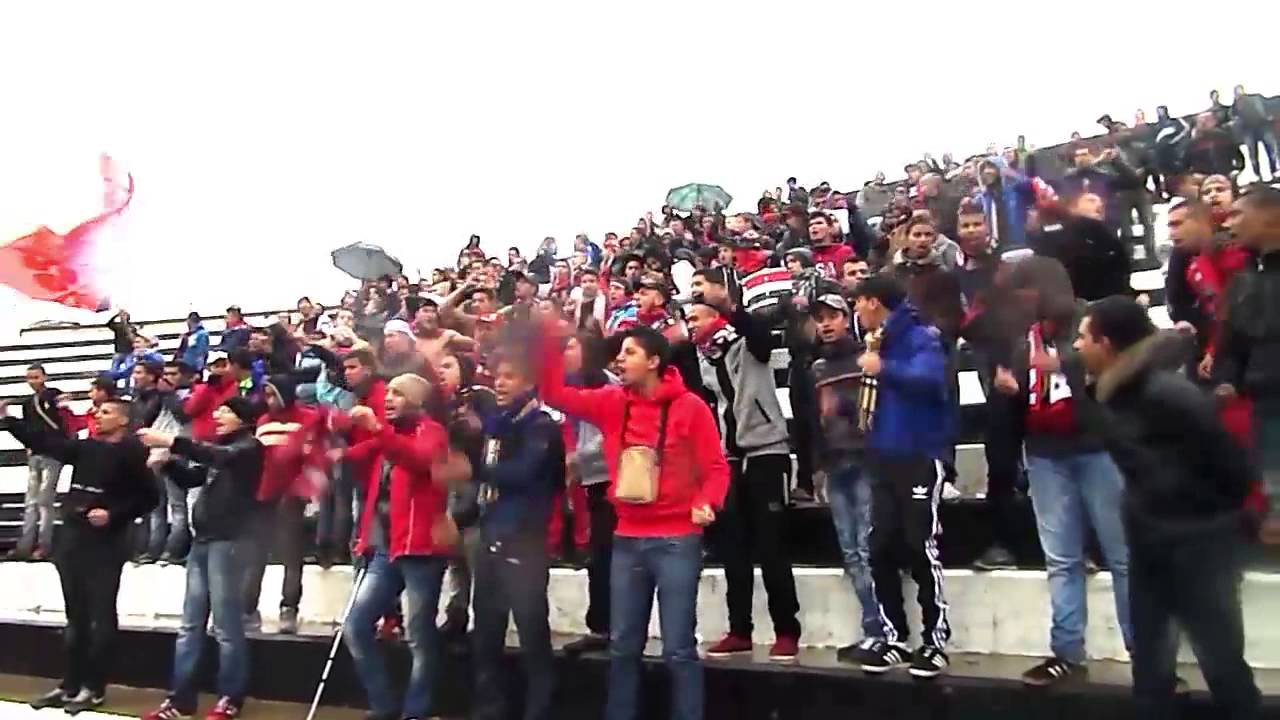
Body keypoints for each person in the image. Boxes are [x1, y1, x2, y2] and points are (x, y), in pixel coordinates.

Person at [1075, 297, 1259, 718]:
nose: (1077, 346)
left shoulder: (1167, 393)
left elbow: (1231, 463)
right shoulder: (1111, 394)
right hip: (1150, 541)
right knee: (1151, 665)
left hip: (1199, 542)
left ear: (1106, 343)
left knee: (1221, 660)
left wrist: (1199, 512)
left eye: (1083, 337)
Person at [538, 323, 729, 720]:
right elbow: (554, 394)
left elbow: (715, 467)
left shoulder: (689, 406)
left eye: (629, 353)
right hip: (626, 536)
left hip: (677, 537)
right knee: (623, 645)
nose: (619, 360)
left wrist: (707, 501)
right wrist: (552, 349)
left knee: (678, 647)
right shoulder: (612, 401)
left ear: (654, 361)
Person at [993, 258, 1133, 686]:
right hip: (1045, 456)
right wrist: (1010, 393)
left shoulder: (1097, 323)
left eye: (1026, 294)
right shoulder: (1024, 342)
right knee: (1061, 560)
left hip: (1098, 451)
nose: (1021, 303)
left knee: (1125, 557)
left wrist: (1065, 368)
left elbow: (1124, 372)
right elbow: (1017, 402)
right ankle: (1067, 652)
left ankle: (1147, 654)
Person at [1, 398, 158, 715]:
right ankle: (70, 683)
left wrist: (113, 513)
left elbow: (149, 498)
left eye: (106, 412)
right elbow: (46, 442)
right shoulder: (87, 448)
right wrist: (9, 420)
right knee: (76, 617)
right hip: (73, 540)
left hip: (106, 544)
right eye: (97, 412)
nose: (97, 416)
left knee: (101, 617)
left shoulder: (131, 454)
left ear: (124, 420)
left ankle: (94, 687)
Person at [684, 296, 801, 662]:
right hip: (729, 459)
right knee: (734, 549)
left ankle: (786, 630)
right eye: (686, 319)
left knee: (772, 547)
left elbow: (761, 336)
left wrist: (732, 307)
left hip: (767, 452)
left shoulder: (748, 344)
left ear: (717, 318)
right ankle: (740, 630)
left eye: (696, 318)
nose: (689, 325)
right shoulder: (703, 359)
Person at [849, 274, 953, 678]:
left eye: (859, 301)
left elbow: (929, 381)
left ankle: (934, 640)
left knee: (918, 544)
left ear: (874, 301)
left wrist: (884, 368)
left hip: (917, 454)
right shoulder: (877, 341)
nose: (856, 310)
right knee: (879, 547)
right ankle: (895, 637)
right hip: (881, 455)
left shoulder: (920, 337)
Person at [338, 374, 459, 720]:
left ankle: (416, 712)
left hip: (423, 549)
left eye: (399, 393)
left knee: (419, 636)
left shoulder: (431, 431)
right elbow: (376, 493)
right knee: (356, 625)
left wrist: (377, 428)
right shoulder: (387, 439)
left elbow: (419, 461)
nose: (389, 398)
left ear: (418, 400)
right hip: (387, 547)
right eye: (387, 392)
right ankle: (384, 706)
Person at [139, 396, 265, 720]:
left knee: (226, 625)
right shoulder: (223, 451)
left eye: (226, 410)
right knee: (190, 625)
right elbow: (193, 477)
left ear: (243, 418)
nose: (218, 414)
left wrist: (172, 441)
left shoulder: (249, 448)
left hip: (230, 542)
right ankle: (180, 700)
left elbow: (214, 455)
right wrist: (167, 463)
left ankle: (231, 697)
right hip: (203, 541)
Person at [462, 352, 562, 720]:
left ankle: (540, 711)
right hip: (490, 536)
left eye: (510, 376)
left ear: (530, 383)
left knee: (532, 633)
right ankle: (489, 711)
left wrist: (477, 466)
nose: (499, 383)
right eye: (496, 376)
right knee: (486, 635)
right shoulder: (498, 423)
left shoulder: (541, 426)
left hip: (525, 542)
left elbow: (523, 474)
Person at [803, 293, 883, 665]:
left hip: (867, 460)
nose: (826, 324)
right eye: (819, 318)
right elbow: (812, 423)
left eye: (832, 316)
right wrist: (817, 466)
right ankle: (873, 627)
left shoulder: (865, 357)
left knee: (868, 548)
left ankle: (882, 630)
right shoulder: (816, 369)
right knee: (851, 551)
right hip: (835, 466)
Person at [1216, 186, 1280, 544]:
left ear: (1271, 217)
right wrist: (1227, 380)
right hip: (1267, 404)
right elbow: (1234, 344)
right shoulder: (1243, 283)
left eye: (1239, 214)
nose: (1229, 223)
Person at [559, 332, 618, 655]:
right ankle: (601, 625)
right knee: (598, 555)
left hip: (609, 478)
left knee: (606, 553)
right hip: (592, 479)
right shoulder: (576, 385)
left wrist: (575, 459)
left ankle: (608, 626)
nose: (564, 353)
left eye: (570, 346)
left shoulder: (606, 386)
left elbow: (608, 434)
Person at [7, 364, 68, 561]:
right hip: (36, 454)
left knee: (44, 501)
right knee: (31, 502)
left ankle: (44, 545)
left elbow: (62, 409)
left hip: (52, 454)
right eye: (29, 378)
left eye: (36, 377)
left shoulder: (52, 395)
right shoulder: (27, 404)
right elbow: (27, 428)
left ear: (44, 377)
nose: (32, 381)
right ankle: (24, 545)